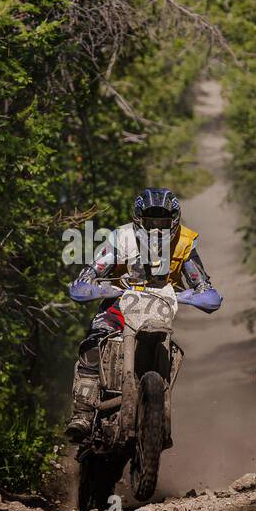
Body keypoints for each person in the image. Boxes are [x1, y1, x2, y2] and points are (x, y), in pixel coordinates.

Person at [64, 187, 221, 441]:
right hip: (118, 308)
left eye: (163, 221)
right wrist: (91, 285)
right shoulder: (121, 238)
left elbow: (205, 287)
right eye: (151, 221)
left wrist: (194, 295)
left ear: (175, 220)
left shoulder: (184, 242)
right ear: (139, 219)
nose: (157, 228)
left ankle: (158, 414)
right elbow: (89, 273)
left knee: (171, 352)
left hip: (158, 313)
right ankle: (81, 413)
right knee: (93, 343)